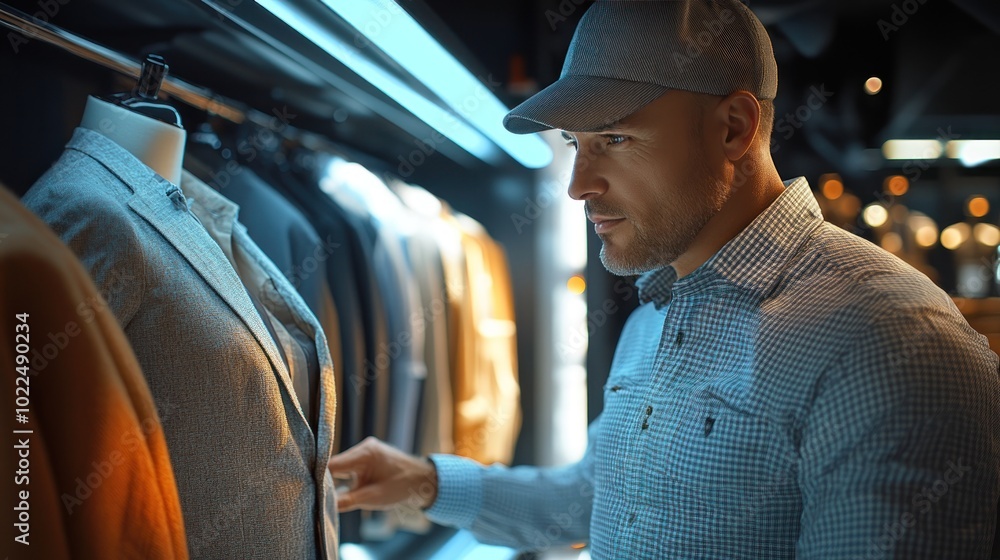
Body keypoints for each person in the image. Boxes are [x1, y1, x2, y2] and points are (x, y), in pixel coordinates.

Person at [329, 1, 1000, 557]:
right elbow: (603, 498)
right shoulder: (658, 313)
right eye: (576, 145)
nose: (578, 185)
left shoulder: (890, 344)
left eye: (615, 141)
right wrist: (423, 482)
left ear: (734, 127)